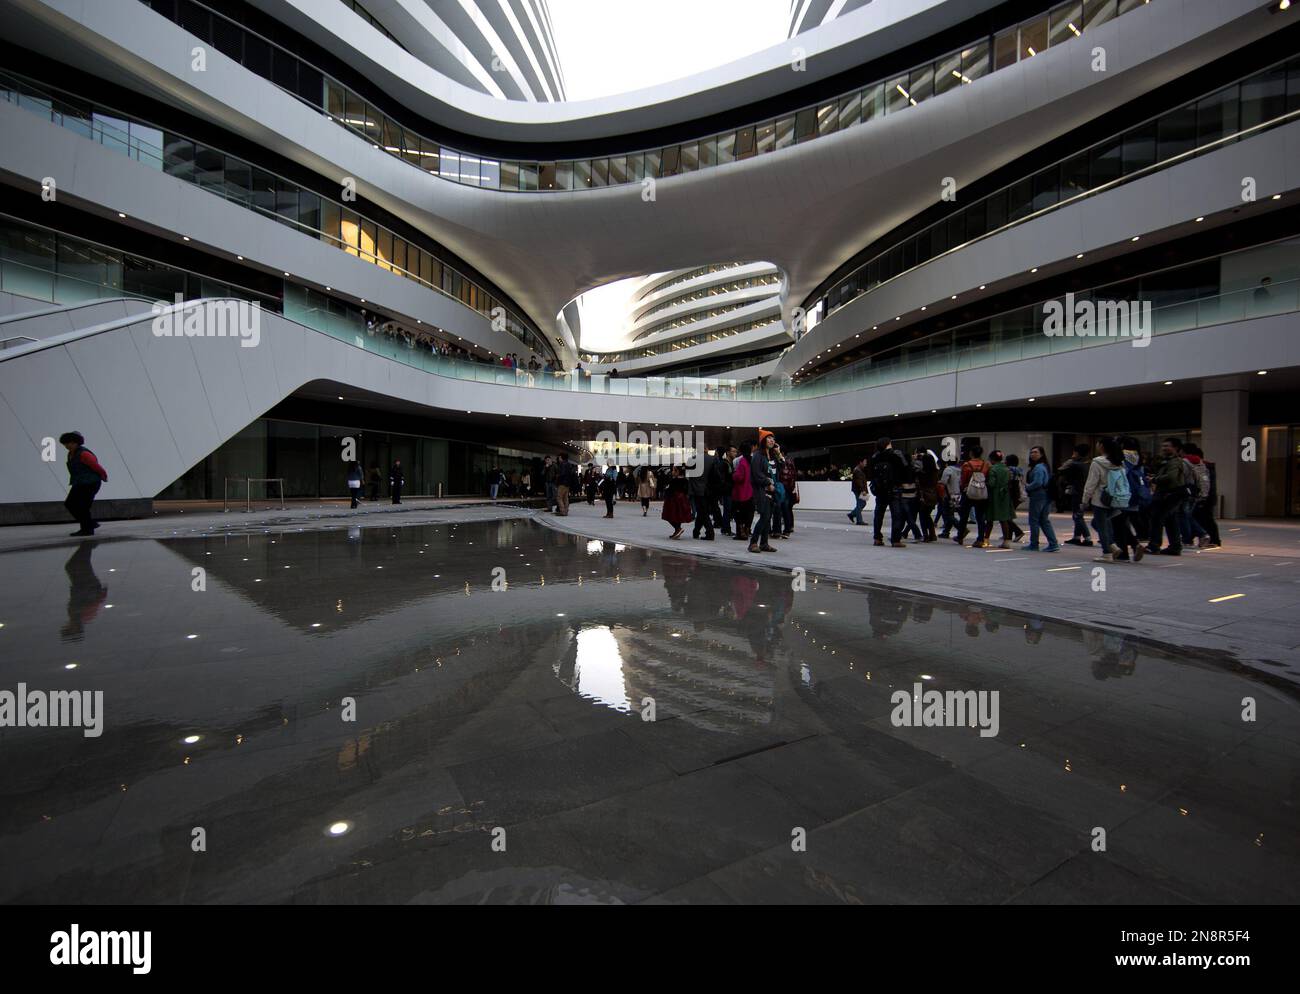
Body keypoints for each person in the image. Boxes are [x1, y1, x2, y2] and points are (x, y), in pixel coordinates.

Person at [1081, 437, 1127, 561]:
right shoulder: (1119, 462)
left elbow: (1091, 483)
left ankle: (1107, 553)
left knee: (1101, 525)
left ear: (1101, 446)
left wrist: (1085, 500)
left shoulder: (1097, 462)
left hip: (1100, 499)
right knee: (1104, 523)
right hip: (1116, 498)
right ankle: (1112, 546)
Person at [59, 431, 108, 536]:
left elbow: (96, 466)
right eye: (65, 444)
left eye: (70, 443)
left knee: (82, 506)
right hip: (79, 483)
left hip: (91, 483)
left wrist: (103, 476)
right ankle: (89, 525)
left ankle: (87, 529)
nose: (67, 446)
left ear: (76, 443)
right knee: (70, 504)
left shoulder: (84, 454)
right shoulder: (71, 454)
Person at [1148, 437, 1189, 556]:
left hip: (1168, 495)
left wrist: (1154, 479)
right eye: (1163, 446)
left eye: (1167, 446)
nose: (1164, 448)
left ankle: (1154, 545)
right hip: (1171, 495)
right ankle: (1175, 546)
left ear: (1175, 448)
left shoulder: (1175, 461)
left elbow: (1171, 477)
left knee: (1157, 519)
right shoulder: (1169, 461)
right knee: (1171, 520)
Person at [870, 437, 908, 548]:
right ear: (888, 444)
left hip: (880, 489)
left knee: (878, 514)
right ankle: (896, 540)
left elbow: (871, 472)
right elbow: (905, 467)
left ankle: (877, 538)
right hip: (894, 488)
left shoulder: (875, 456)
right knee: (896, 514)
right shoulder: (895, 454)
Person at [1024, 446, 1060, 552]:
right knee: (1044, 520)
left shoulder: (1038, 467)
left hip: (1038, 495)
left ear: (1041, 454)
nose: (1033, 454)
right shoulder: (1045, 466)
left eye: (1035, 452)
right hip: (1046, 495)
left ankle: (1034, 544)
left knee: (1034, 520)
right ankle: (1053, 543)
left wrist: (1027, 486)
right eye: (1031, 452)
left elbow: (1038, 482)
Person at [1185, 443, 1221, 547]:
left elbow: (1203, 483)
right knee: (1201, 518)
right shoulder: (1208, 466)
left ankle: (1210, 539)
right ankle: (1207, 539)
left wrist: (1202, 496)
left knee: (1200, 518)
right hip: (1208, 496)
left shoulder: (1202, 466)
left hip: (1204, 497)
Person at [956, 445, 991, 547]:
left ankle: (960, 537)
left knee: (964, 516)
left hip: (968, 493)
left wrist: (963, 488)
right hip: (981, 493)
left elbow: (963, 480)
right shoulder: (986, 464)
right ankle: (980, 539)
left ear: (971, 453)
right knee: (980, 517)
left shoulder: (967, 465)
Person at [1058, 443, 1094, 546]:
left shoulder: (1075, 463)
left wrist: (1071, 459)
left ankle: (1087, 538)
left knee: (1077, 515)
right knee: (1078, 514)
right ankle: (1077, 537)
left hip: (1078, 491)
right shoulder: (1089, 463)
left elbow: (1061, 469)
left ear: (1077, 452)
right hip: (1086, 491)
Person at [749, 430, 778, 553]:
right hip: (762, 491)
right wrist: (767, 483)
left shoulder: (771, 455)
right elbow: (756, 474)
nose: (772, 440)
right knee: (765, 516)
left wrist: (779, 454)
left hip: (771, 491)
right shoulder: (758, 455)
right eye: (769, 438)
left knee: (768, 517)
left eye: (773, 438)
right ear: (763, 440)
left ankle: (764, 543)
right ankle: (753, 543)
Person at [986, 450, 1015, 549]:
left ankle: (986, 539)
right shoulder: (1006, 469)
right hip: (1005, 495)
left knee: (989, 518)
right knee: (1004, 519)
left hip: (994, 495)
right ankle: (1006, 541)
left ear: (992, 459)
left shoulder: (992, 469)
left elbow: (991, 483)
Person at [690, 449, 718, 540]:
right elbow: (716, 475)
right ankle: (696, 531)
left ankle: (710, 532)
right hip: (710, 489)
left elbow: (690, 477)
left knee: (702, 512)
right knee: (702, 511)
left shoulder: (692, 459)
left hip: (698, 489)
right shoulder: (713, 459)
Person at [662, 466, 693, 539]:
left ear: (677, 472)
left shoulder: (674, 481)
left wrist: (666, 490)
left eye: (673, 470)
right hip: (682, 500)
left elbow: (670, 490)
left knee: (669, 515)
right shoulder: (685, 480)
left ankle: (678, 529)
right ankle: (677, 531)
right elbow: (686, 491)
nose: (672, 472)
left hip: (674, 499)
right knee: (678, 516)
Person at [915, 450, 939, 542]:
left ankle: (926, 535)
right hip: (933, 495)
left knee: (922, 516)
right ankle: (932, 534)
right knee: (928, 515)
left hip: (924, 496)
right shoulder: (935, 472)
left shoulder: (922, 473)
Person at [731, 442, 753, 542]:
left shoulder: (742, 461)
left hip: (741, 492)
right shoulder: (752, 460)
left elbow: (739, 477)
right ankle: (747, 530)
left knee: (738, 514)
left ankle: (741, 533)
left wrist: (734, 474)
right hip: (750, 491)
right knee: (748, 513)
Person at [710, 446, 733, 535]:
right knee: (725, 508)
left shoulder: (718, 461)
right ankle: (723, 526)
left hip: (719, 488)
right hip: (723, 488)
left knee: (719, 506)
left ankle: (720, 523)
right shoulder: (722, 462)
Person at [1004, 453, 1026, 542]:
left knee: (1005, 516)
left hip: (1011, 496)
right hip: (1019, 496)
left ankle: (1018, 532)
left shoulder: (1009, 470)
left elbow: (1009, 484)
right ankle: (1008, 535)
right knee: (1009, 515)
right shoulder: (1019, 471)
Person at [938, 457, 962, 539]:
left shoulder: (948, 469)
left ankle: (961, 529)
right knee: (952, 513)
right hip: (959, 494)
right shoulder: (960, 469)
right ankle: (946, 532)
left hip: (950, 494)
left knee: (947, 514)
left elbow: (943, 482)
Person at [847, 457, 868, 526]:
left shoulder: (859, 469)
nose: (866, 463)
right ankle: (859, 520)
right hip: (859, 490)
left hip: (861, 490)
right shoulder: (857, 470)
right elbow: (859, 482)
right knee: (860, 504)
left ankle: (851, 514)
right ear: (860, 462)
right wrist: (863, 490)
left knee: (863, 503)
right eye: (864, 462)